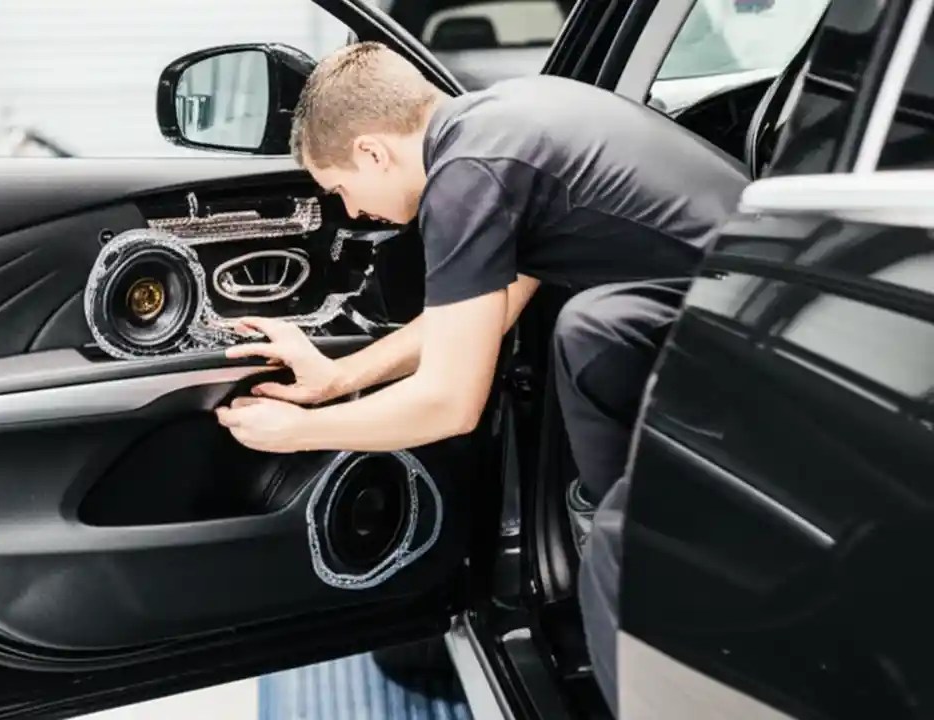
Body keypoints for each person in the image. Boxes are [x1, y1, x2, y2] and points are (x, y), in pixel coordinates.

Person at [212, 42, 748, 713]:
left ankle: (634, 567)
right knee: (587, 328)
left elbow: (449, 404)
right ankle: (629, 531)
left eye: (341, 191)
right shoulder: (498, 125)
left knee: (620, 550)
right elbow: (476, 317)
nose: (351, 213)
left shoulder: (465, 177)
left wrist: (300, 432)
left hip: (759, 353)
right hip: (757, 315)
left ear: (374, 152)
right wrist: (335, 377)